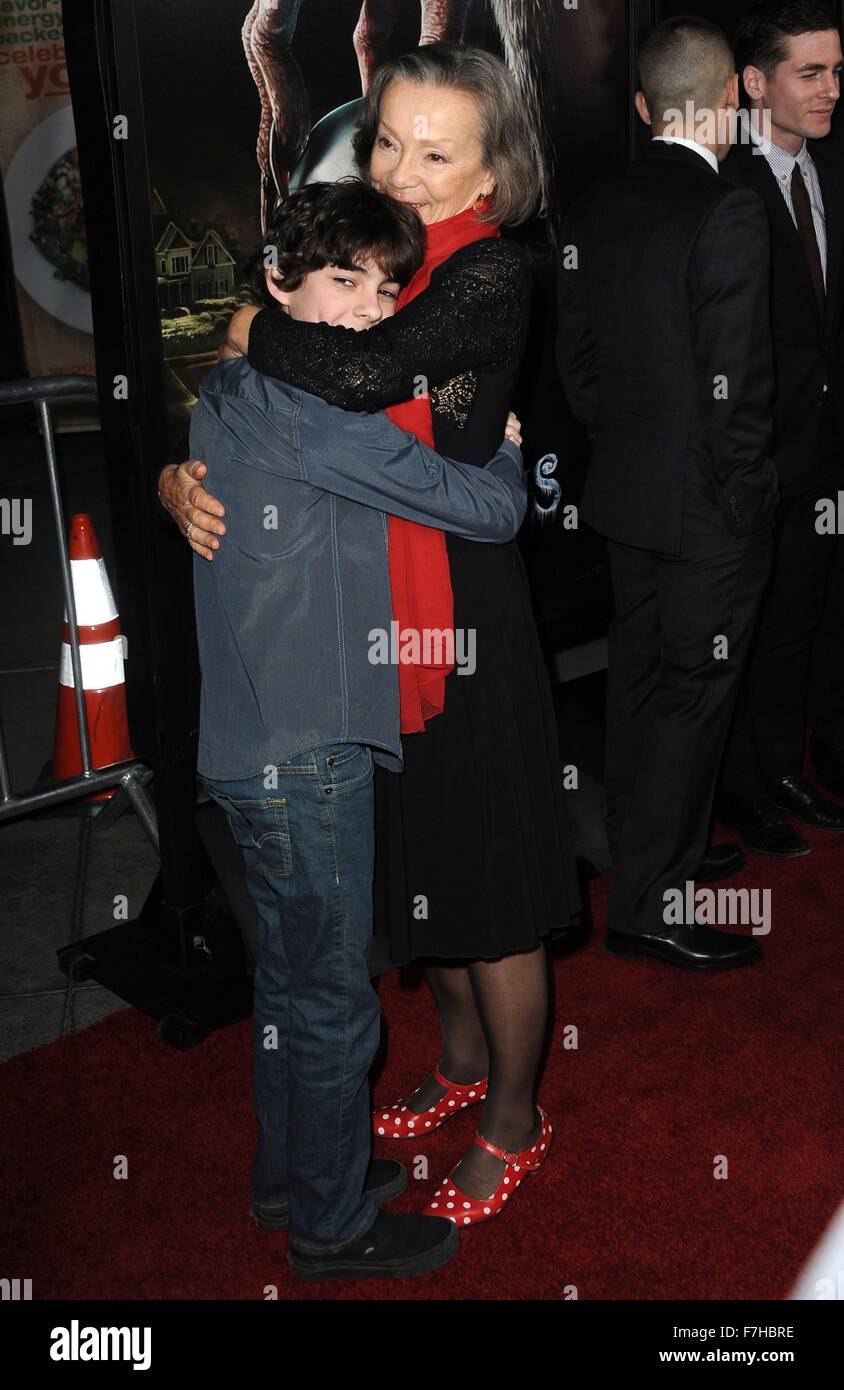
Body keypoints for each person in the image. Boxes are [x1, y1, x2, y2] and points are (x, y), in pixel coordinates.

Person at [160, 42, 580, 1226]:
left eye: (436, 151)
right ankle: (452, 1064)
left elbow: (360, 372)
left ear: (497, 163)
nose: (402, 169)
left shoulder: (488, 269)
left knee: (489, 879)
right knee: (421, 864)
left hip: (461, 602)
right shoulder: (380, 247)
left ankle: (512, 1112)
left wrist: (246, 316)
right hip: (359, 609)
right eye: (387, 139)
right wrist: (171, 474)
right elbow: (275, 416)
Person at [188, 179, 528, 1278]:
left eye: (384, 290)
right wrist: (509, 445)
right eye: (343, 281)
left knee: (290, 987)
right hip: (309, 756)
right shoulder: (318, 418)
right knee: (334, 1002)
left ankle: (292, 1178)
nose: (367, 311)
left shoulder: (229, 389)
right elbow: (489, 508)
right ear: (278, 285)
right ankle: (330, 1228)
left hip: (246, 747)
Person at [556, 17, 778, 970]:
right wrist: (744, 496)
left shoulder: (594, 205)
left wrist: (638, 450)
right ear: (732, 98)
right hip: (706, 511)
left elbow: (580, 368)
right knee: (692, 697)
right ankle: (651, 904)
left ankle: (654, 850)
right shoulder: (728, 209)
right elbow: (741, 384)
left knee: (641, 682)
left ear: (646, 110)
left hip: (629, 497)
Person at [718, 0, 844, 855]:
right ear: (757, 82)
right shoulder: (725, 188)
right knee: (745, 627)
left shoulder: (833, 171)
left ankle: (782, 764)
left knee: (801, 617)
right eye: (812, 72)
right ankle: (741, 790)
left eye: (838, 71)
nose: (832, 89)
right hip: (754, 462)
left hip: (827, 455)